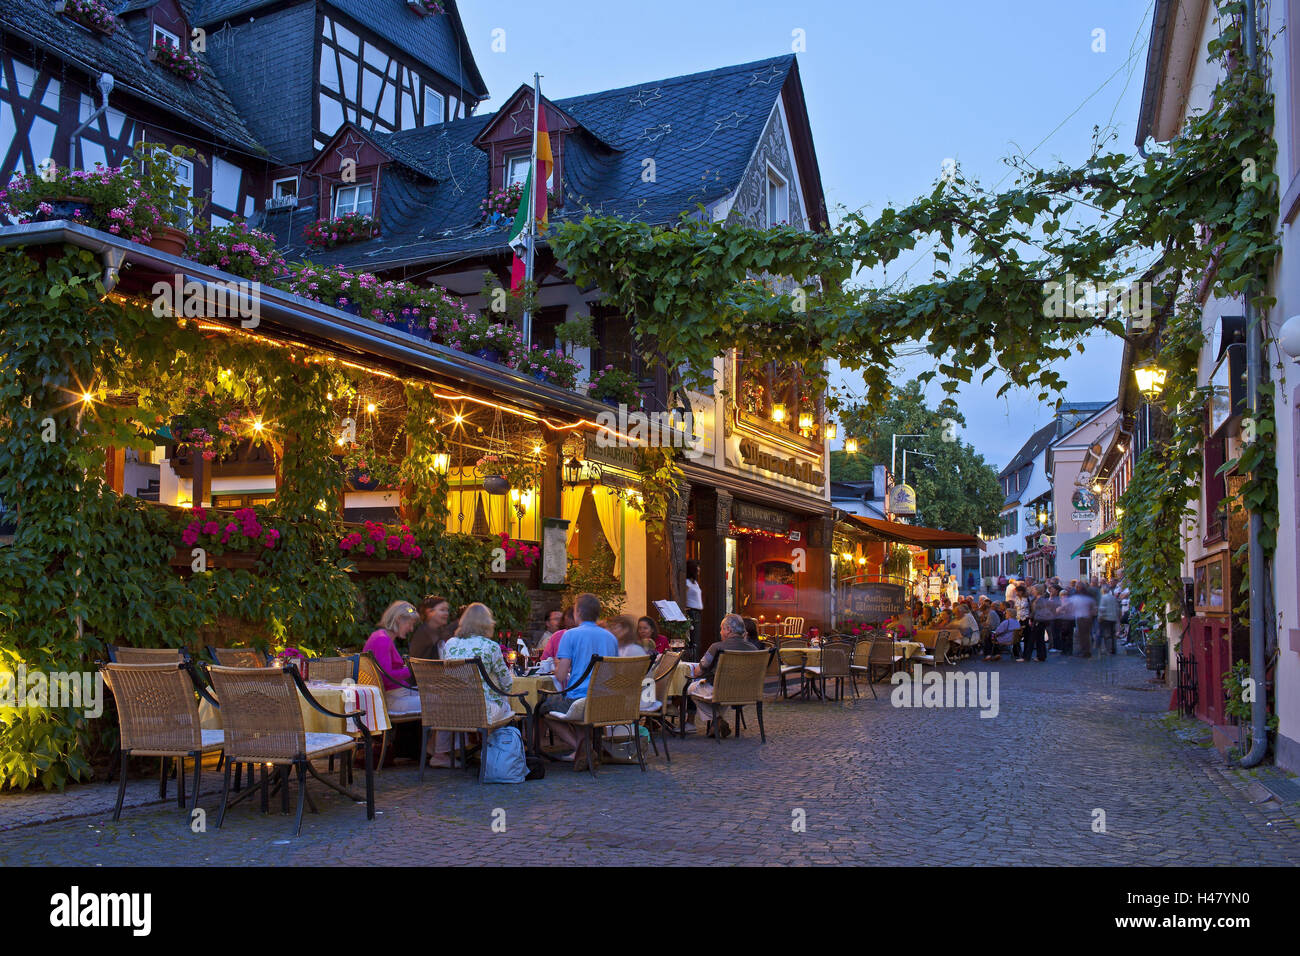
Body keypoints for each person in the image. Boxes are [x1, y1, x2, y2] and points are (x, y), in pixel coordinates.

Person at [426, 603, 516, 769]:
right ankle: (493, 755)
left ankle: (447, 753)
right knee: (507, 705)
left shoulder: (451, 644)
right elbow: (507, 683)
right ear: (487, 623)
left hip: (453, 709)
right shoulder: (491, 647)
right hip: (481, 712)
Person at [539, 593, 618, 758]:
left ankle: (582, 748)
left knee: (541, 707)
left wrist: (558, 667)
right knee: (575, 702)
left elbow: (561, 677)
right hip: (607, 700)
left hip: (579, 700)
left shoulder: (570, 635)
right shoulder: (611, 638)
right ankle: (585, 749)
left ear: (578, 613)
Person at [684, 613, 757, 737]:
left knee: (690, 688)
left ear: (728, 630)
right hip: (746, 692)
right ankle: (715, 725)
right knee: (717, 694)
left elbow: (698, 672)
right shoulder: (754, 649)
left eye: (721, 629)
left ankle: (717, 720)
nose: (720, 632)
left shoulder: (717, 647)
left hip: (720, 691)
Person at [363, 600, 419, 713]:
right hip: (393, 699)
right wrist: (412, 669)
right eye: (410, 623)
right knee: (439, 702)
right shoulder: (382, 640)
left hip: (397, 695)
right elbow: (385, 677)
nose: (411, 629)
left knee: (437, 696)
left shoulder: (380, 636)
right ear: (399, 619)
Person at [409, 594, 451, 660]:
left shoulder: (441, 631)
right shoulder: (423, 634)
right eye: (442, 610)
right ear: (429, 612)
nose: (446, 613)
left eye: (447, 610)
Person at [1023, 586, 1052, 662]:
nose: (1032, 591)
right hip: (1039, 620)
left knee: (1032, 639)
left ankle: (1027, 657)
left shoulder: (1039, 600)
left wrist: (1030, 618)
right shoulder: (1036, 599)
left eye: (1033, 590)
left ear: (1037, 590)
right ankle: (1041, 656)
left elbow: (1035, 611)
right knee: (1039, 639)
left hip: (1039, 620)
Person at [1068, 586, 1097, 657]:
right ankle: (1087, 650)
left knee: (1081, 636)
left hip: (1080, 618)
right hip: (1088, 618)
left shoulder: (1076, 598)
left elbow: (1069, 605)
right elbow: (1094, 609)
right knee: (1086, 635)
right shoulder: (1089, 599)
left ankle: (1084, 651)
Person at [685, 560, 703, 652]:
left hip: (697, 612)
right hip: (691, 612)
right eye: (697, 567)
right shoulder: (687, 582)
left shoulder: (695, 582)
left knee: (697, 637)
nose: (699, 569)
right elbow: (683, 595)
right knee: (692, 637)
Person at [1098, 586, 1121, 654]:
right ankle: (1113, 648)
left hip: (1106, 618)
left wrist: (1100, 617)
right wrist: (1118, 617)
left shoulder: (1103, 598)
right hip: (1113, 618)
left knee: (1107, 635)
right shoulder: (1113, 597)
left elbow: (1102, 609)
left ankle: (1109, 649)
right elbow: (1117, 608)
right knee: (1113, 634)